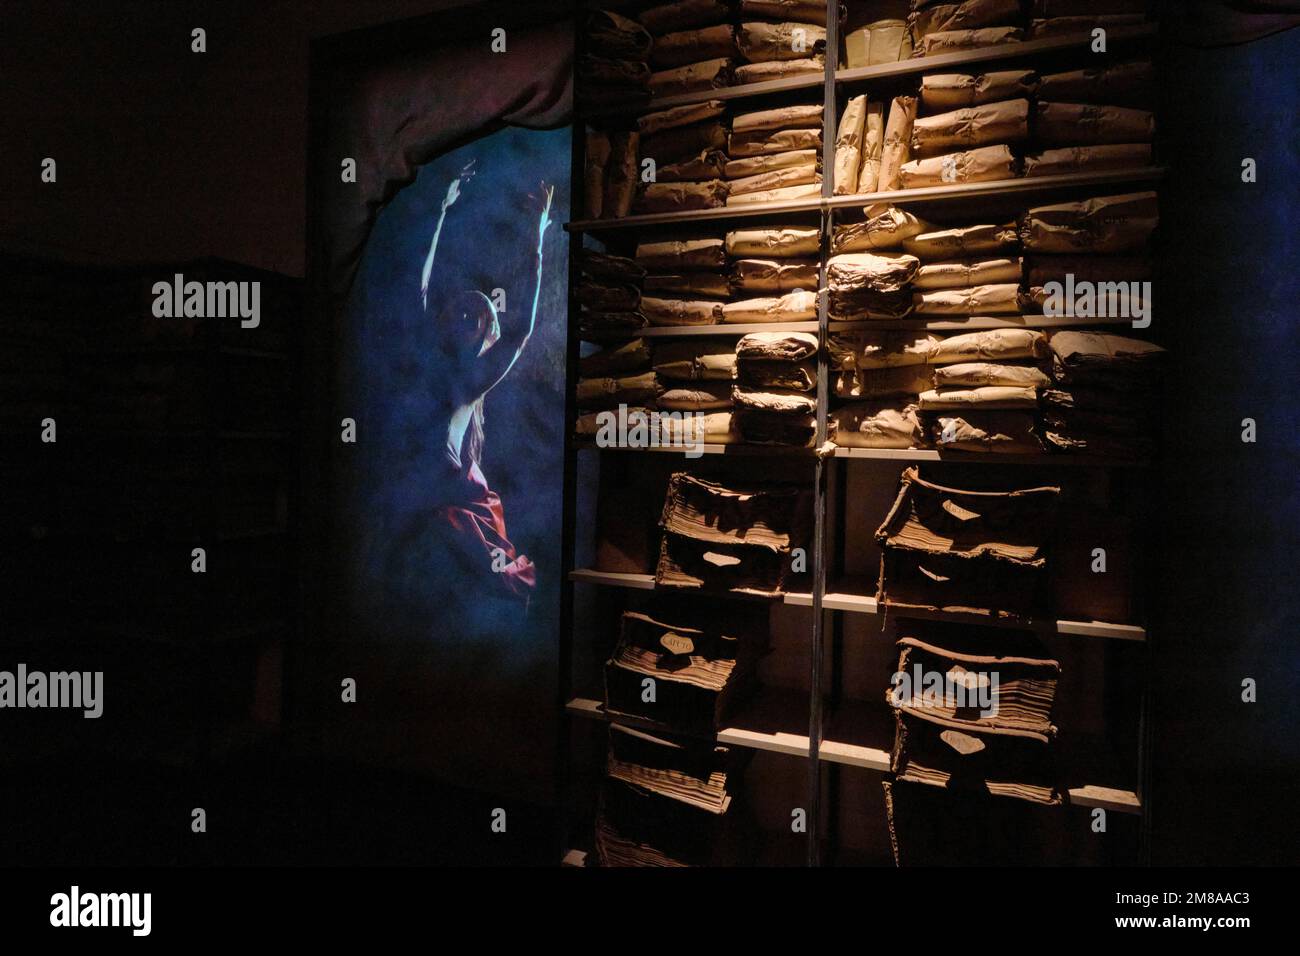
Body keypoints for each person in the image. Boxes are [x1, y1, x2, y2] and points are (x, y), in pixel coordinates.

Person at [397, 163, 553, 607]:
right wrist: (440, 209)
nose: (465, 316)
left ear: (484, 340)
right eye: (461, 310)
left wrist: (536, 237)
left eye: (477, 318)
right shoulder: (426, 359)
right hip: (414, 494)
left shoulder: (470, 381)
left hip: (445, 502)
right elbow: (417, 286)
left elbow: (521, 330)